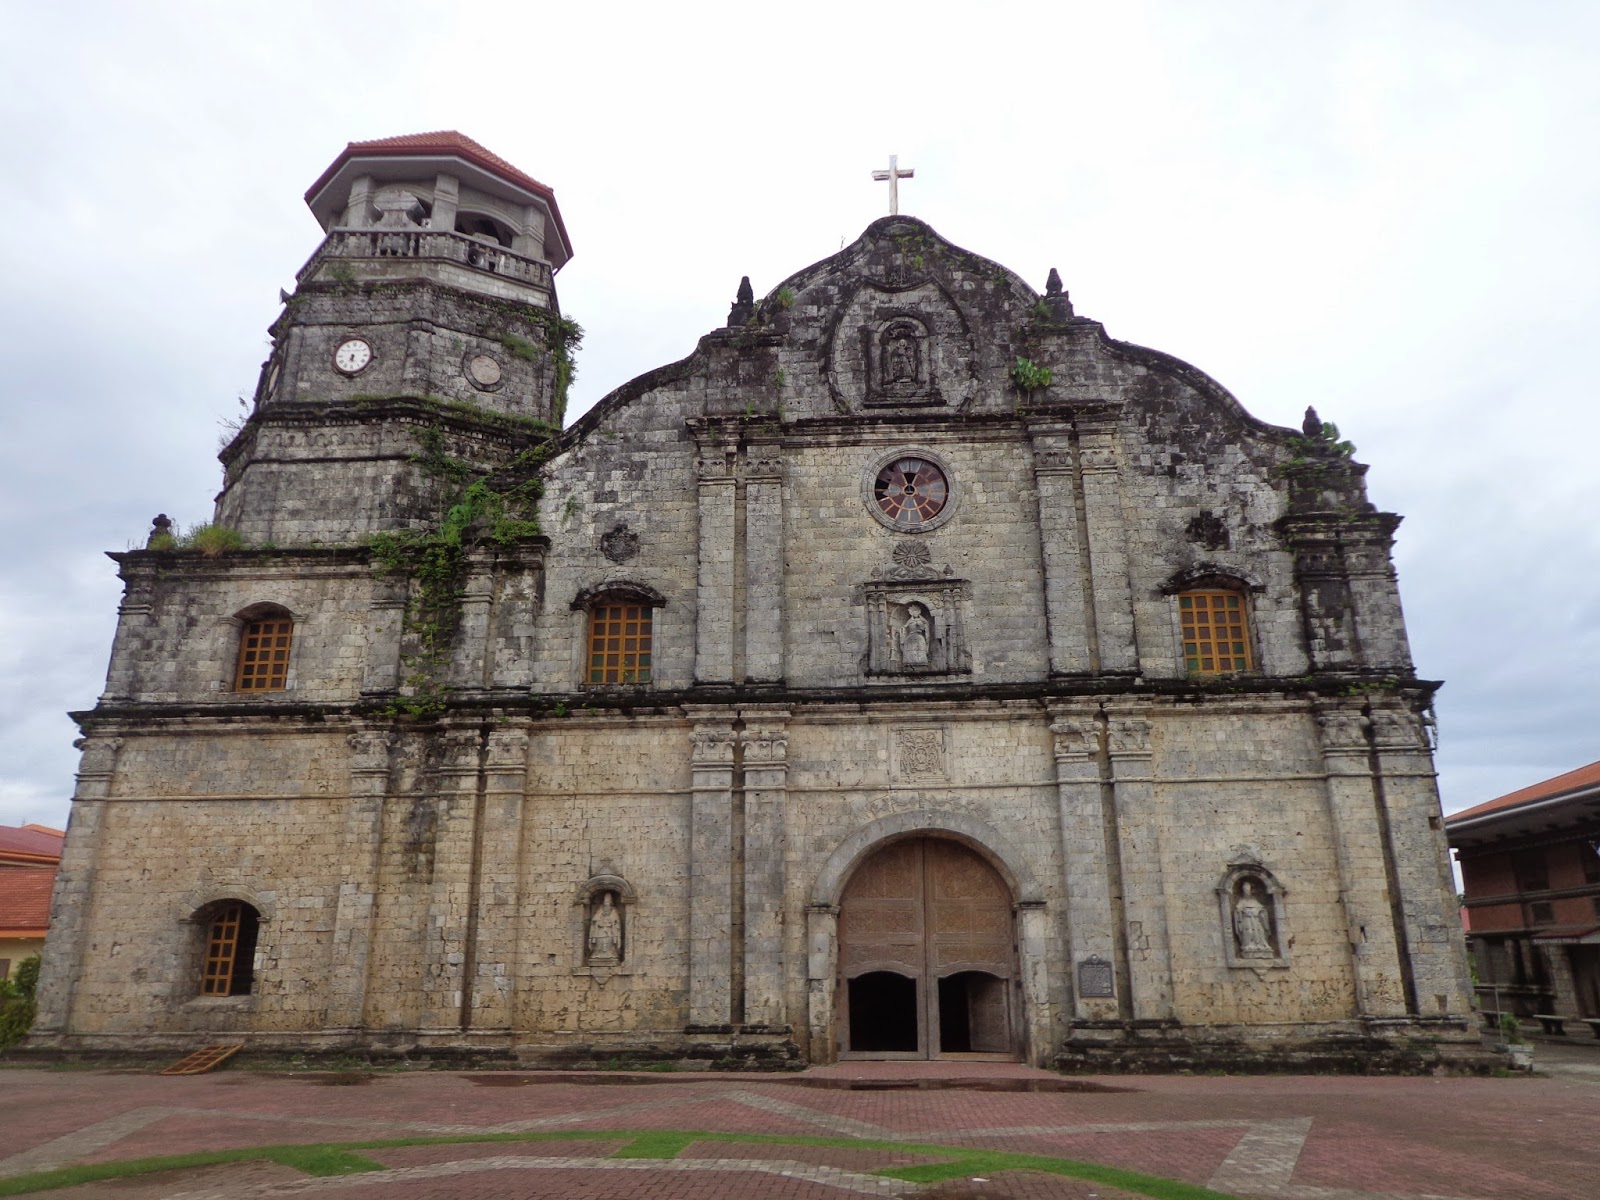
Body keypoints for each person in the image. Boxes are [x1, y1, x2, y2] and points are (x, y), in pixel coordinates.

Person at [1233, 880, 1274, 957]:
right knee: (1248, 932)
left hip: (1255, 919)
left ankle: (1261, 946)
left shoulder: (1254, 900)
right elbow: (1238, 910)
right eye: (1245, 889)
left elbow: (1262, 909)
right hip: (1247, 920)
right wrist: (1243, 911)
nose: (1247, 891)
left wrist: (1258, 911)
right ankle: (1248, 945)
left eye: (1248, 889)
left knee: (1260, 931)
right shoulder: (1242, 901)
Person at [588, 892, 623, 964]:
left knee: (609, 943)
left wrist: (611, 923)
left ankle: (611, 954)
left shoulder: (614, 914)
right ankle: (598, 954)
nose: (606, 908)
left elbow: (616, 923)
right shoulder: (599, 913)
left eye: (608, 906)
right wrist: (599, 923)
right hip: (600, 932)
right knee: (599, 943)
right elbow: (595, 921)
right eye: (605, 906)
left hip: (610, 932)